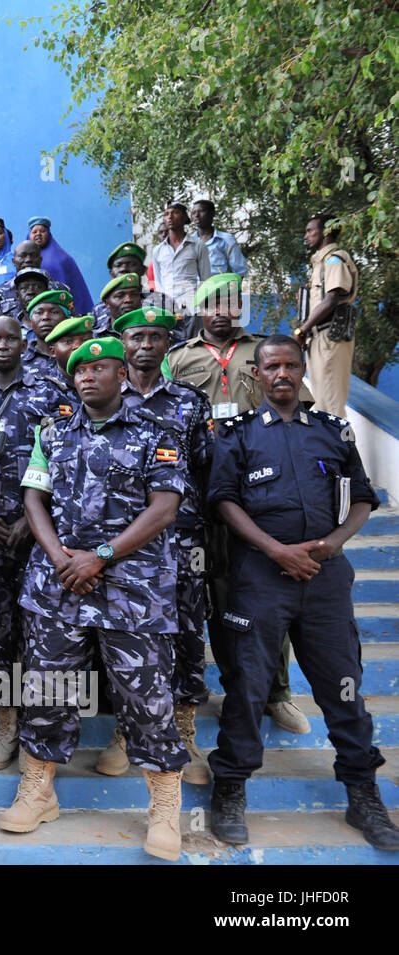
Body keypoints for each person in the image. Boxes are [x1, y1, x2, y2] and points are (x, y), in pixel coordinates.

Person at [206, 334, 397, 851]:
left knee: (344, 688)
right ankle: (230, 789)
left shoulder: (334, 431)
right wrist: (275, 550)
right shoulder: (237, 436)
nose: (283, 374)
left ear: (302, 371)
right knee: (247, 690)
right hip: (261, 580)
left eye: (291, 365)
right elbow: (223, 500)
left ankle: (362, 793)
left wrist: (332, 545)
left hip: (325, 581)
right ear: (258, 375)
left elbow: (362, 498)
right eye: (272, 367)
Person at [10, 336, 187, 861]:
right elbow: (33, 498)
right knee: (47, 689)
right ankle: (39, 791)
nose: (87, 376)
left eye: (100, 368)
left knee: (145, 697)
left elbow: (164, 508)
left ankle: (164, 808)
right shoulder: (54, 432)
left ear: (122, 374)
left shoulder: (158, 431)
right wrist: (62, 556)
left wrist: (101, 556)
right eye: (80, 369)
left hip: (132, 589)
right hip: (59, 584)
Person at [166, 272, 309, 735]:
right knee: (211, 597)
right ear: (200, 310)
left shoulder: (266, 352)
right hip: (195, 496)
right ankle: (221, 689)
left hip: (258, 493)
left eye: (232, 303)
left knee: (266, 593)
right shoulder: (178, 358)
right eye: (214, 304)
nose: (223, 312)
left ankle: (276, 693)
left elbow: (300, 414)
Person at [109, 306, 213, 784]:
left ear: (169, 343)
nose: (146, 345)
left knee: (187, 629)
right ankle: (125, 733)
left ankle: (184, 729)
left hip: (181, 537)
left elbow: (206, 469)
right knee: (127, 638)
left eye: (156, 336)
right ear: (122, 343)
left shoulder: (190, 403)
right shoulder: (108, 396)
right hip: (119, 540)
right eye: (137, 337)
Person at [0, 315, 67, 769]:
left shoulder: (49, 393)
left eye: (10, 339)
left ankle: (38, 731)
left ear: (25, 344)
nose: (2, 346)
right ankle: (6, 724)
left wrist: (34, 513)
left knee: (43, 636)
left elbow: (67, 460)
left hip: (39, 537)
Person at [297, 213, 359, 418]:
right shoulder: (320, 263)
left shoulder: (334, 260)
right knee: (322, 402)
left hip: (330, 337)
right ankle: (330, 448)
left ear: (326, 232)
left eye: (310, 230)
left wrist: (302, 329)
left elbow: (331, 299)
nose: (306, 236)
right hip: (318, 338)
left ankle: (341, 449)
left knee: (332, 406)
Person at [151, 202, 211, 317]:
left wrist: (201, 305)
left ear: (184, 217)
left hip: (191, 307)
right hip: (167, 308)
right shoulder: (158, 250)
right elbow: (158, 282)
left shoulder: (198, 245)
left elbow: (205, 279)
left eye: (175, 213)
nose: (170, 217)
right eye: (167, 214)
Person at [26, 217, 94, 314]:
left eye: (42, 231)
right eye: (34, 232)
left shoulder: (63, 259)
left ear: (49, 234)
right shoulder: (23, 258)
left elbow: (77, 288)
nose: (38, 234)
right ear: (29, 235)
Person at [0, 241, 72, 320]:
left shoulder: (60, 289)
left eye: (33, 255)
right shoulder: (0, 292)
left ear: (40, 260)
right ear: (14, 261)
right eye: (23, 256)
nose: (28, 260)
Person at [22, 289, 74, 380]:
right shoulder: (20, 362)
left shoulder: (76, 354)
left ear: (66, 318)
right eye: (39, 313)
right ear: (31, 320)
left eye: (54, 312)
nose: (45, 317)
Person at [191, 200, 247, 277]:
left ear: (212, 214)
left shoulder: (226, 239)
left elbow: (240, 272)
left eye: (201, 211)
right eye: (193, 212)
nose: (197, 215)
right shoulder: (188, 242)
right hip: (193, 288)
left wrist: (232, 288)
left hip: (219, 287)